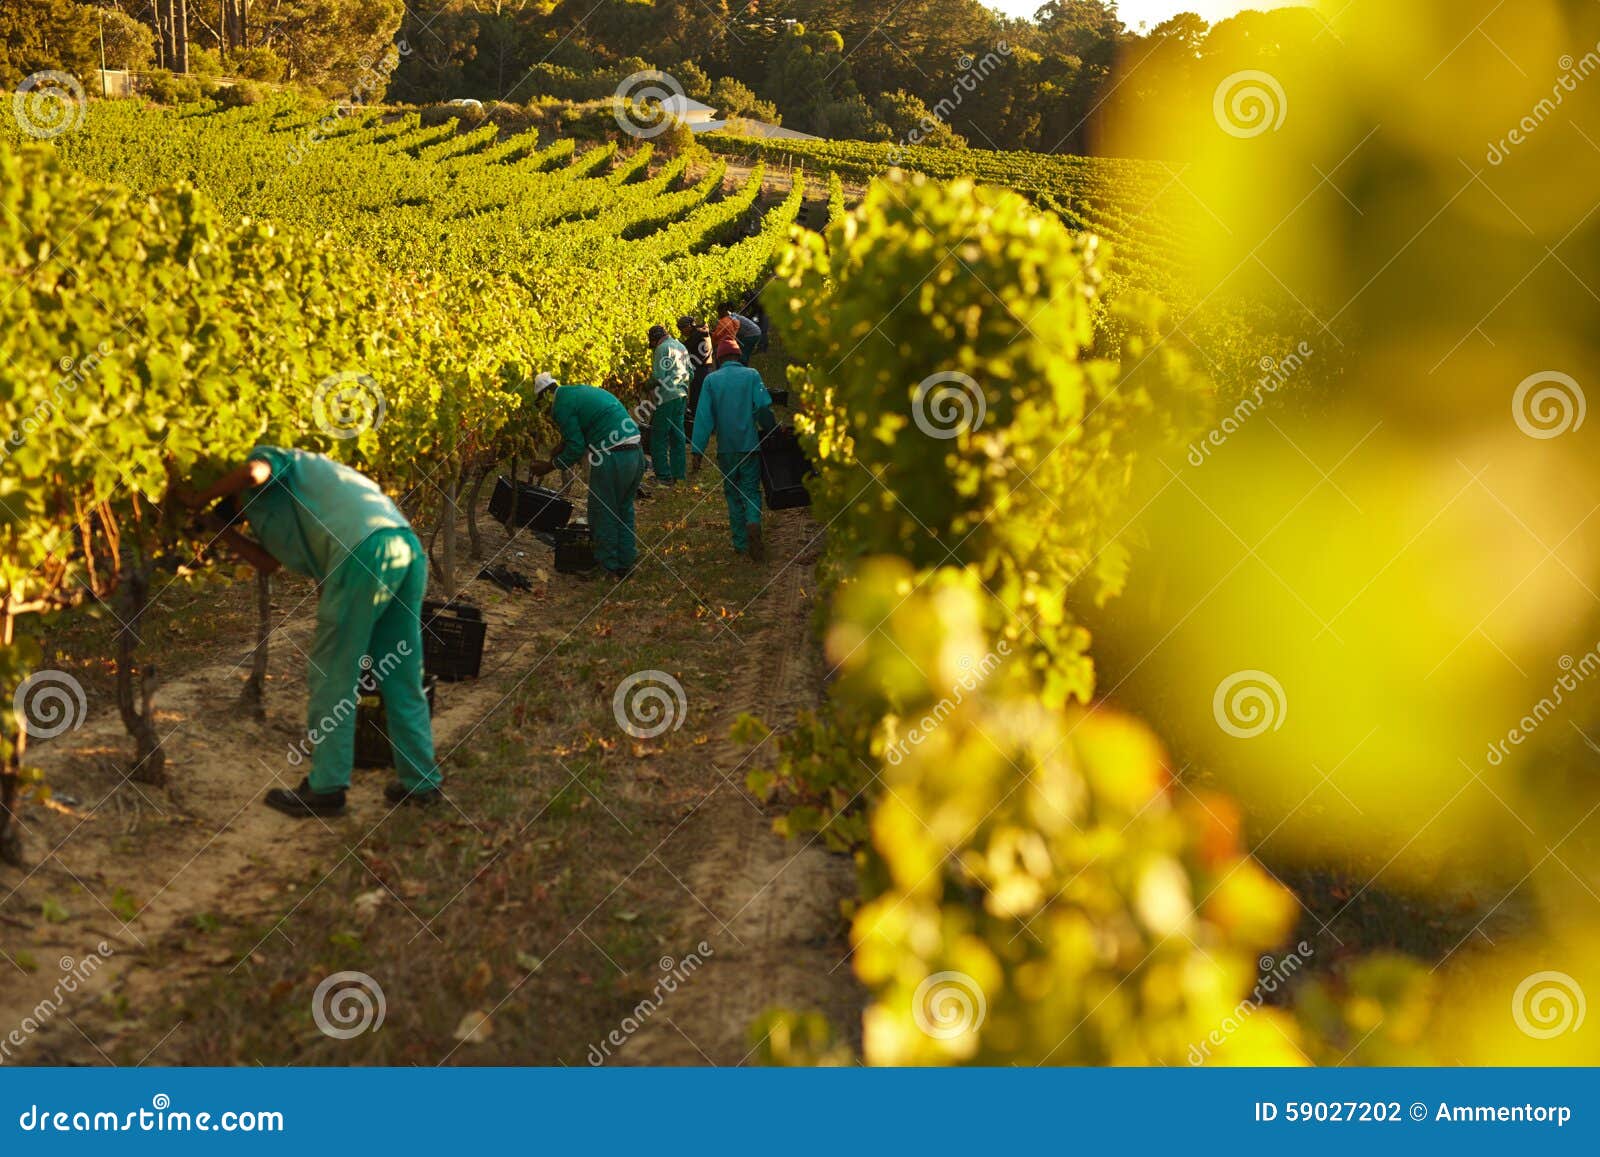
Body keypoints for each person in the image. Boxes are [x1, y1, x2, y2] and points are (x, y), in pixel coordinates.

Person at [172, 447, 442, 817]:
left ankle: (326, 788)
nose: (242, 516)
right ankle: (421, 782)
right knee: (401, 674)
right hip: (402, 547)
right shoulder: (283, 505)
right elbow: (267, 564)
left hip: (364, 553)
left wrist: (196, 499)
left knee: (333, 675)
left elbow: (253, 472)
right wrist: (214, 526)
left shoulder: (275, 457)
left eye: (233, 507)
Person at [527, 372, 644, 579]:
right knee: (623, 508)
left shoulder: (560, 406)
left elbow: (576, 446)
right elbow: (582, 429)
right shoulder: (575, 392)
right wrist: (559, 447)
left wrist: (549, 466)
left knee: (602, 513)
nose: (544, 413)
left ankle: (607, 567)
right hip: (635, 452)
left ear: (545, 396)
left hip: (612, 456)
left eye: (541, 405)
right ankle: (625, 563)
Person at [691, 340, 776, 562]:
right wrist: (771, 429)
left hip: (726, 450)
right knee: (751, 490)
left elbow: (703, 417)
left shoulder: (711, 380)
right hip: (749, 446)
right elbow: (764, 407)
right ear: (739, 357)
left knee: (732, 493)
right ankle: (753, 523)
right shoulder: (752, 375)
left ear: (719, 359)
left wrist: (697, 451)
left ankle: (740, 543)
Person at [647, 324, 691, 487]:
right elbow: (690, 373)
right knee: (677, 435)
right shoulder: (681, 346)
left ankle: (663, 476)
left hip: (667, 398)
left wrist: (646, 385)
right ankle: (679, 474)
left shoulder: (661, 349)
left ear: (654, 340)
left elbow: (658, 376)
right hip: (681, 395)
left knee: (659, 437)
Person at [678, 315, 714, 444]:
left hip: (701, 371)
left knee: (697, 401)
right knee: (700, 400)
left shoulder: (698, 335)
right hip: (704, 369)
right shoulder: (700, 333)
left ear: (689, 326)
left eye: (682, 328)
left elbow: (685, 347)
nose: (681, 331)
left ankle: (699, 430)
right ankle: (705, 428)